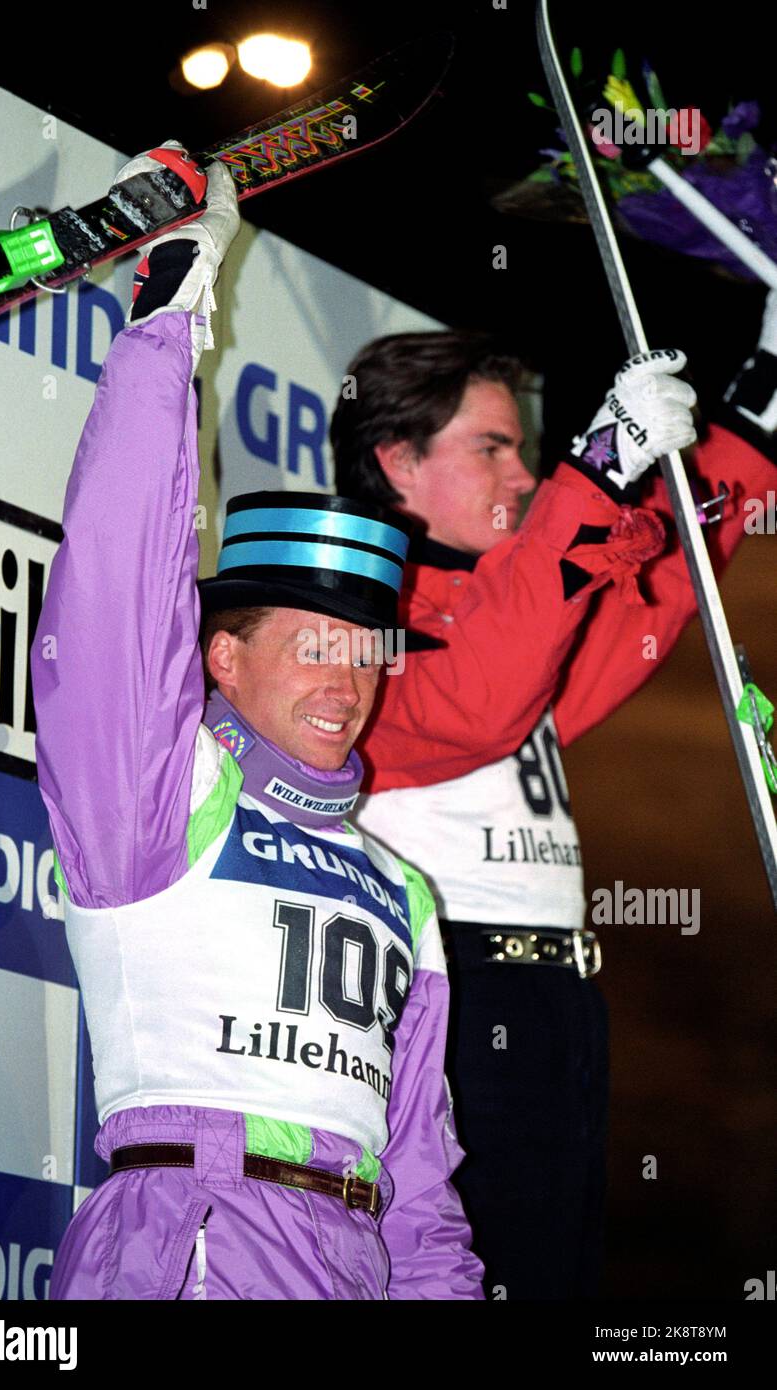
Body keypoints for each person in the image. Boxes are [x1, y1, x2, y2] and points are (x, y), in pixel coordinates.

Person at [31, 143, 483, 1301]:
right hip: (188, 1230)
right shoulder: (161, 796)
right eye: (311, 644)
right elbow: (112, 596)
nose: (348, 680)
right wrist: (165, 331)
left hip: (356, 1260)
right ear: (222, 656)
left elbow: (424, 1181)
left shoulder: (406, 891)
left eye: (365, 649)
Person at [330, 316, 776, 1299]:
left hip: (553, 1004)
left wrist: (755, 411)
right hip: (449, 1001)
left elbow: (655, 589)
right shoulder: (356, 619)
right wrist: (598, 464)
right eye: (491, 448)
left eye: (525, 452)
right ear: (395, 461)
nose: (521, 477)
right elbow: (475, 699)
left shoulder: (516, 604)